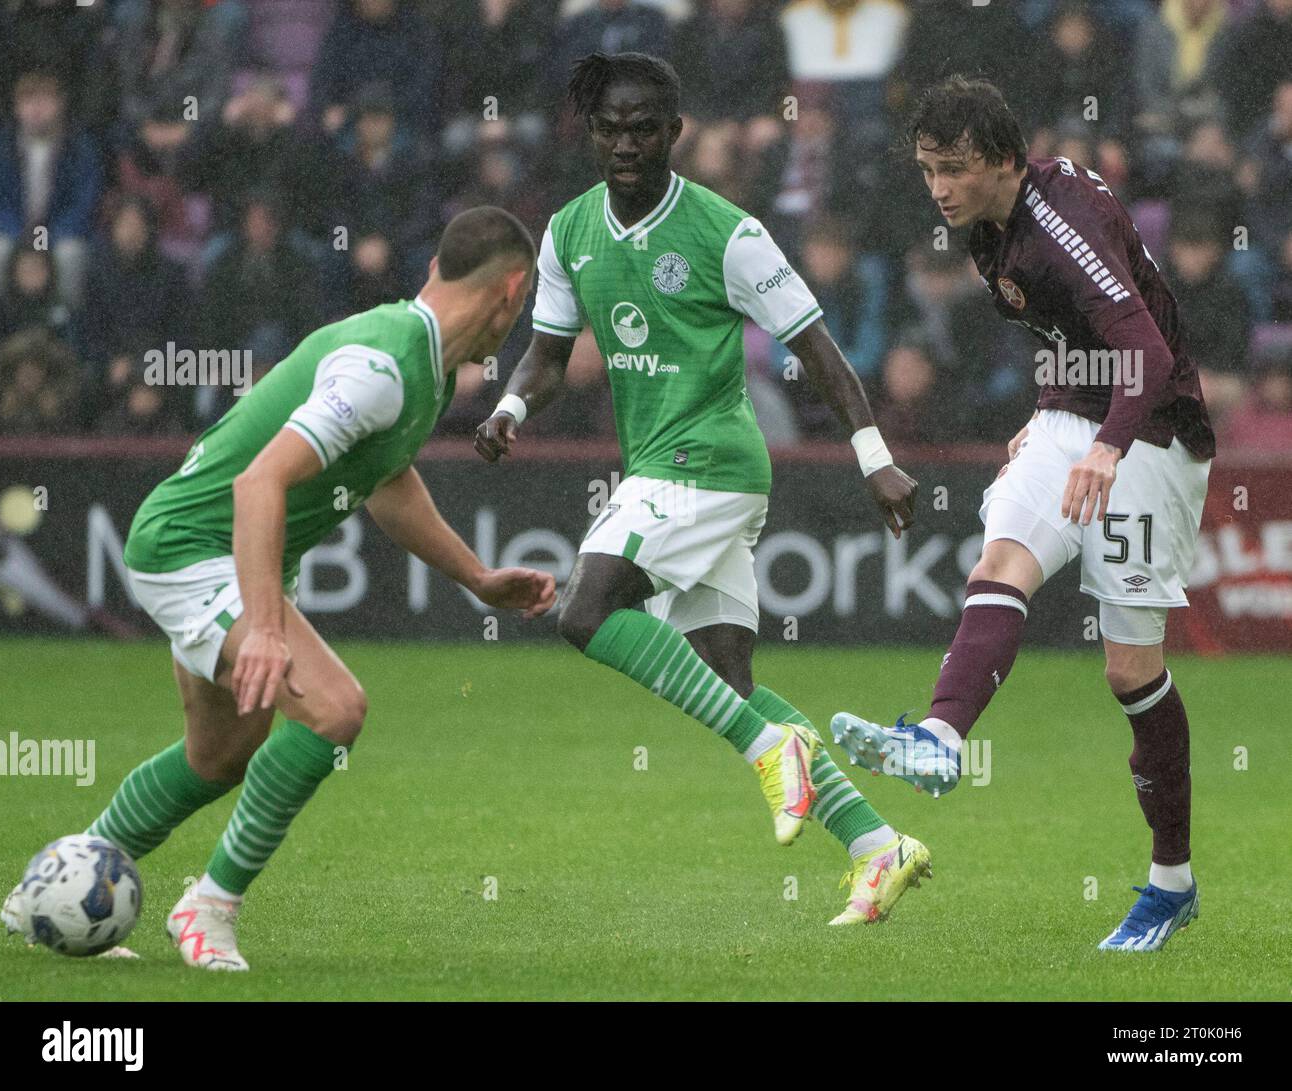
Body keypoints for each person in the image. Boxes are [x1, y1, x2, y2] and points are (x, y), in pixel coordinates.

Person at [0, 207, 557, 971]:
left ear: (435, 267)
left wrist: (477, 576)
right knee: (335, 709)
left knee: (217, 757)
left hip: (210, 553)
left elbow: (386, 478)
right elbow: (261, 481)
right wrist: (263, 627)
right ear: (514, 290)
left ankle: (56, 887)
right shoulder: (384, 366)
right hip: (190, 550)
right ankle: (209, 907)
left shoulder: (421, 361)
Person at [475, 52, 928, 926]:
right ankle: (879, 845)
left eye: (645, 127)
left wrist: (873, 456)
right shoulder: (569, 231)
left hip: (711, 463)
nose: (626, 143)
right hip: (661, 468)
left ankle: (774, 751)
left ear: (675, 132)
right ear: (591, 133)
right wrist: (508, 407)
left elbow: (820, 351)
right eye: (610, 127)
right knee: (726, 674)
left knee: (585, 611)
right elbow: (546, 353)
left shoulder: (730, 233)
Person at [831, 76, 1215, 952]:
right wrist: (1048, 416)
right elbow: (1066, 334)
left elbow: (1146, 353)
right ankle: (937, 736)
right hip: (1076, 417)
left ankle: (1171, 882)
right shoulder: (991, 223)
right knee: (1001, 560)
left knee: (1128, 671)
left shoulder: (1061, 226)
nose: (940, 189)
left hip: (1151, 430)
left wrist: (1108, 447)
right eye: (929, 170)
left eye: (955, 169)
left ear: (1004, 161)